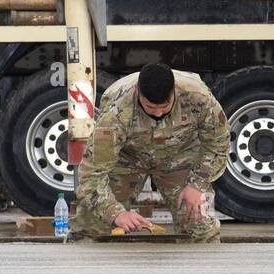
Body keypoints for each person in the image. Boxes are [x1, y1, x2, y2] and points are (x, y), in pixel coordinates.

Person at [71, 63, 229, 243]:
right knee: (92, 222)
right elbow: (92, 173)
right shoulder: (116, 113)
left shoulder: (199, 98)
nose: (159, 113)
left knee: (199, 222)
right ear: (138, 91)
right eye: (151, 107)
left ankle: (203, 268)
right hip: (127, 158)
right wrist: (116, 213)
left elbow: (218, 142)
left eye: (165, 106)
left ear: (174, 91)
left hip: (179, 156)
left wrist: (198, 184)